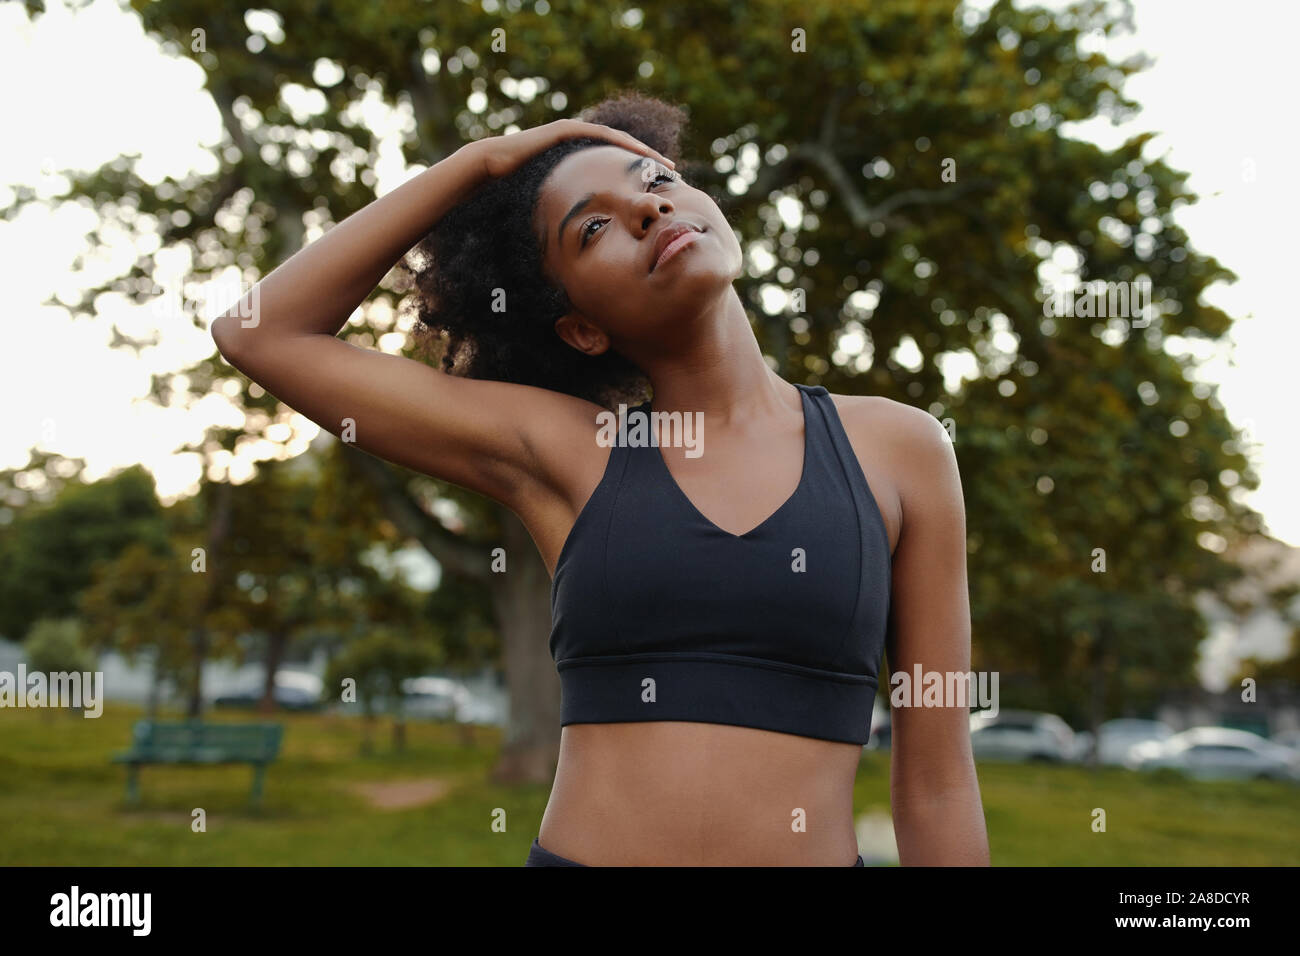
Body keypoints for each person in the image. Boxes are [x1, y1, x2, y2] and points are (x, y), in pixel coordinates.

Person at [211, 90, 989, 866]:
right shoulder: (569, 453)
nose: (648, 213)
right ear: (581, 328)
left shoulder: (901, 448)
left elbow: (938, 783)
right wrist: (481, 161)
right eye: (592, 227)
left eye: (654, 183)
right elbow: (259, 332)